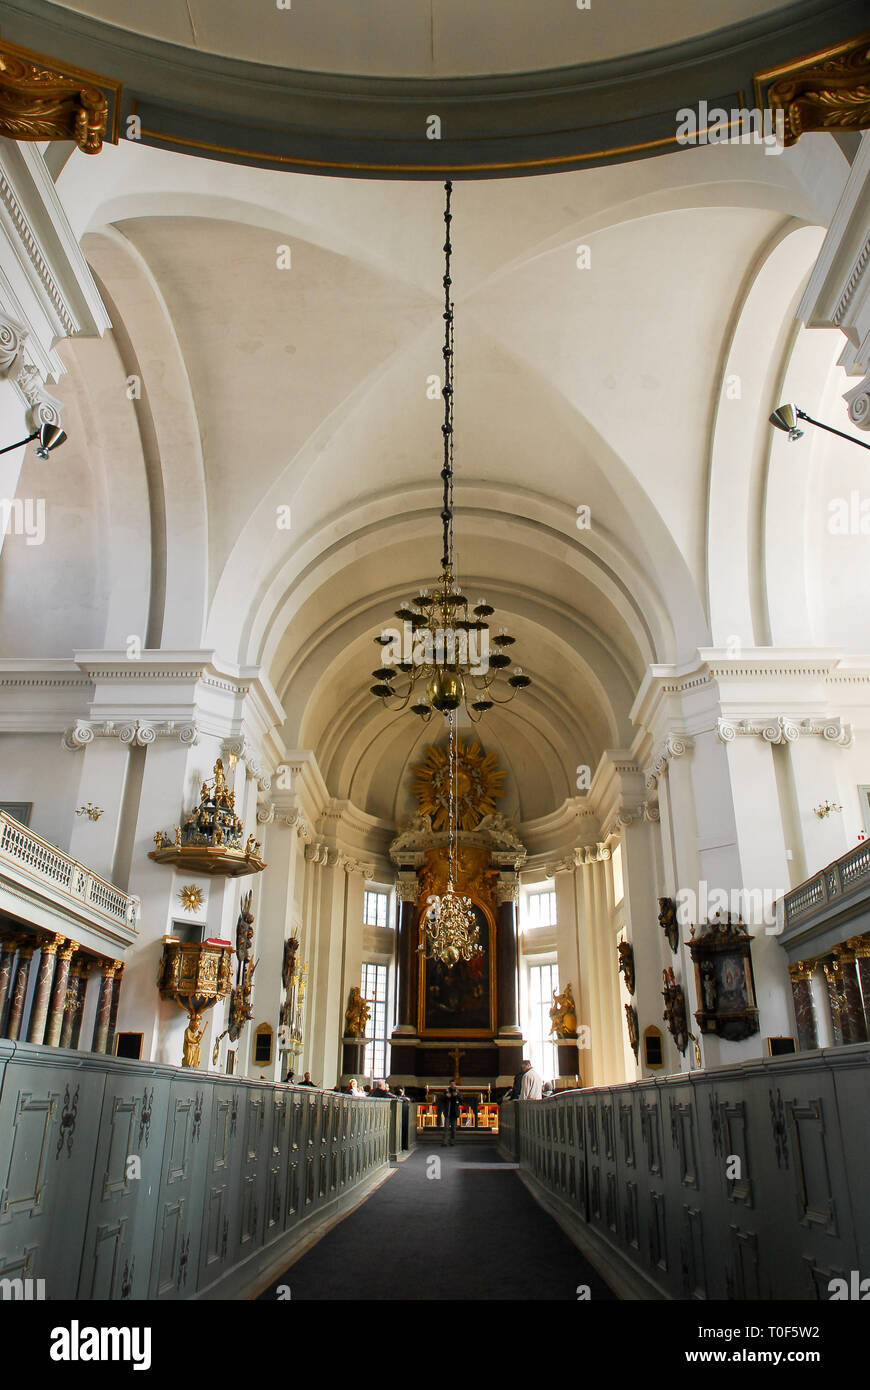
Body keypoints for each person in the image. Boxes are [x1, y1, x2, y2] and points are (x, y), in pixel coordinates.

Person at [437, 1080, 461, 1145]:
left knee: (453, 1128)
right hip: (447, 1112)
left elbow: (461, 1100)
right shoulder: (446, 1091)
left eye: (454, 1084)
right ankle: (444, 1142)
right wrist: (446, 1096)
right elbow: (441, 1099)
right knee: (446, 1128)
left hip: (454, 1112)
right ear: (450, 1085)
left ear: (455, 1085)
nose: (453, 1085)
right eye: (451, 1084)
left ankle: (452, 1142)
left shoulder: (458, 1092)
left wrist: (457, 1096)